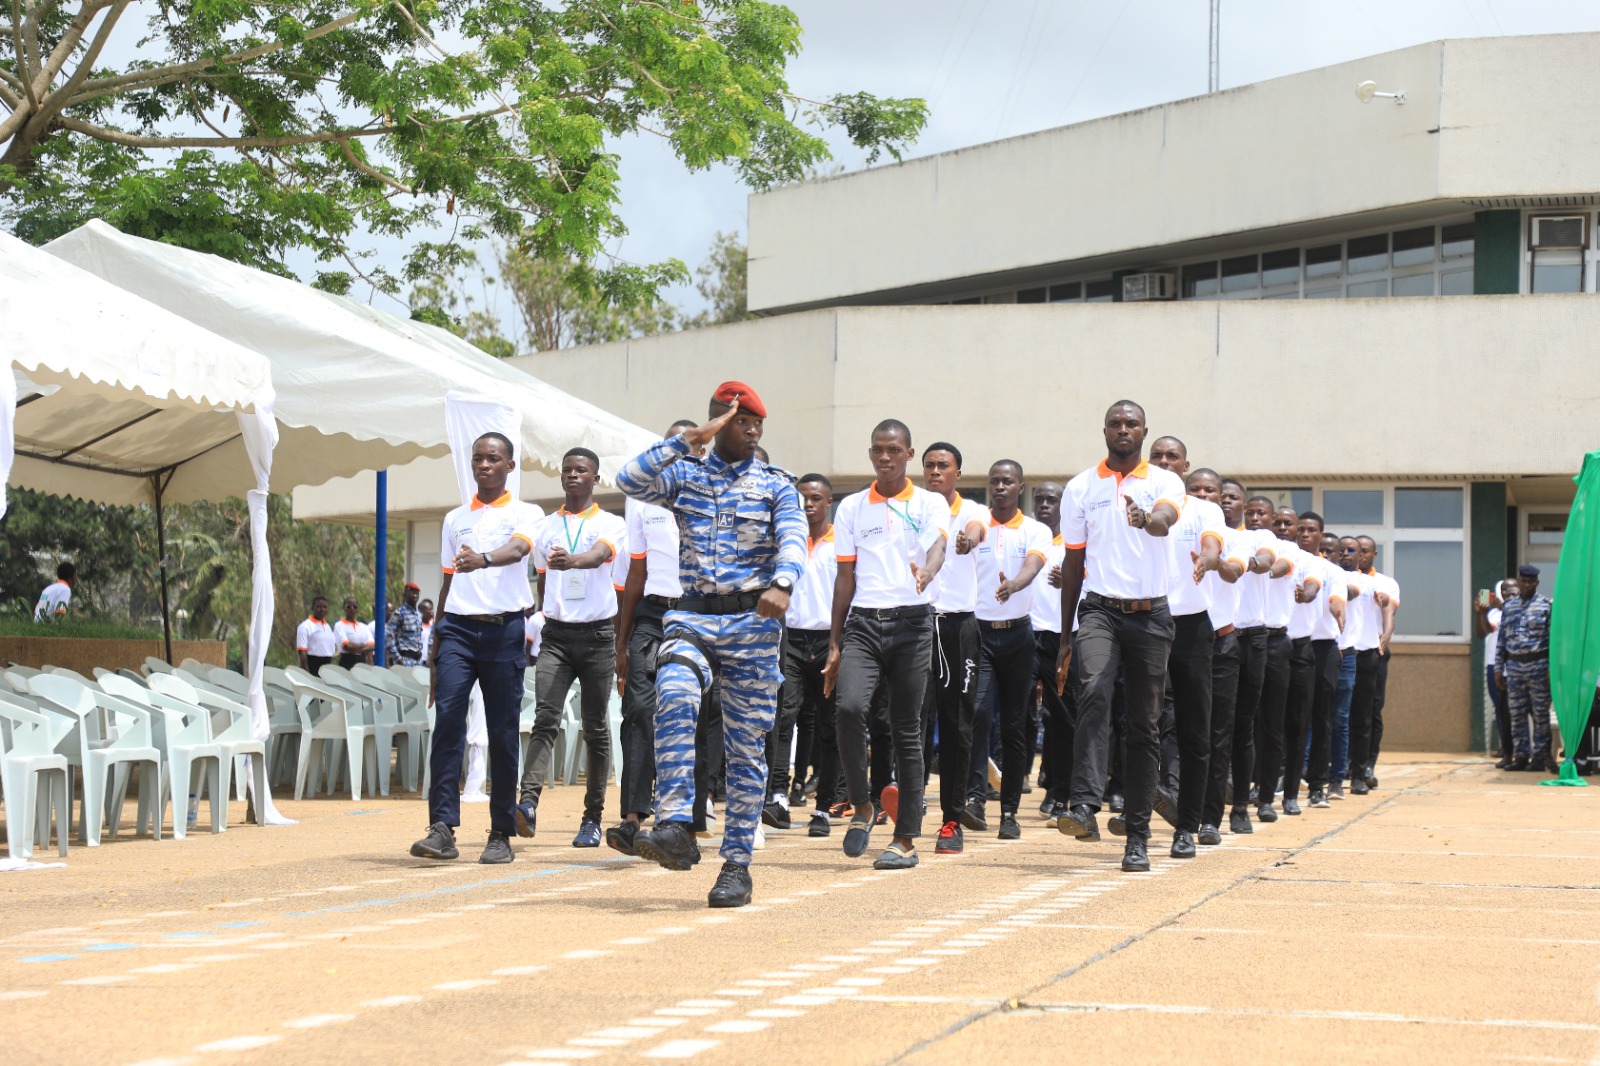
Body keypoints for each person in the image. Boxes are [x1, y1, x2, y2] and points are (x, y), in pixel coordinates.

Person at [617, 382, 805, 908]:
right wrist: (687, 441)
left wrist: (784, 582)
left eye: (756, 426)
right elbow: (627, 479)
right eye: (742, 423)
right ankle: (676, 824)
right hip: (693, 617)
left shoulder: (775, 485)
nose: (752, 433)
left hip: (752, 623)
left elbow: (793, 539)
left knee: (746, 750)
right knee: (673, 694)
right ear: (721, 422)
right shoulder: (684, 475)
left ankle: (736, 865)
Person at [1054, 400, 1185, 873]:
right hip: (1099, 611)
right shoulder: (1080, 487)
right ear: (1104, 430)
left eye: (1131, 423)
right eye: (1115, 423)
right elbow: (1072, 564)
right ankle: (1083, 806)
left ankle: (1137, 835)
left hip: (1151, 616)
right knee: (1092, 691)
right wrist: (1066, 636)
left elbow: (1165, 520)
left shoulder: (1165, 481)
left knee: (1143, 725)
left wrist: (1145, 520)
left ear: (1145, 431)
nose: (1123, 429)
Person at [411, 431, 543, 866]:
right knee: (448, 722)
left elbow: (520, 548)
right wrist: (436, 642)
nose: (484, 465)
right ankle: (442, 827)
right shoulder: (454, 519)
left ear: (510, 466)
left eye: (493, 459)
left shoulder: (528, 512)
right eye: (477, 459)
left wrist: (484, 559)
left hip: (504, 630)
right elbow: (449, 580)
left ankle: (501, 831)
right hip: (458, 632)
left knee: (502, 731)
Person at [823, 419, 947, 870]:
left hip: (913, 624)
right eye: (878, 450)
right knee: (850, 707)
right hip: (863, 624)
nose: (886, 457)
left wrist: (928, 572)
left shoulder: (930, 502)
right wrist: (835, 642)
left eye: (894, 450)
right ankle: (862, 806)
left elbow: (937, 548)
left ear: (909, 454)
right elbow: (844, 578)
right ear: (871, 453)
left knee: (905, 728)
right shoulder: (853, 507)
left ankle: (906, 839)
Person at [516, 447, 628, 847]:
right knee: (546, 718)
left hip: (598, 636)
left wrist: (574, 562)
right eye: (567, 470)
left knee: (596, 729)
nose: (573, 475)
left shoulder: (612, 524)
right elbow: (544, 579)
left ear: (595, 479)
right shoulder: (546, 527)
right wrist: (548, 613)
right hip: (558, 637)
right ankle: (527, 803)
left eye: (581, 470)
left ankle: (592, 818)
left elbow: (600, 556)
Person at [609, 419, 700, 856]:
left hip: (699, 614)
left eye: (690, 447)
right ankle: (631, 818)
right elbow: (636, 571)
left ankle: (686, 820)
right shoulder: (643, 500)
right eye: (673, 447)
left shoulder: (710, 492)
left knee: (691, 715)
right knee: (639, 711)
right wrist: (622, 643)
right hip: (652, 614)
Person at [1146, 437, 1225, 858]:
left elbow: (1212, 544)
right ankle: (1137, 819)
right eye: (1156, 456)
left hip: (1193, 629)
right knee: (1143, 725)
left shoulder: (1204, 509)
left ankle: (1187, 826)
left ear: (1184, 464)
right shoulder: (1136, 502)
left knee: (1196, 731)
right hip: (1146, 623)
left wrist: (1208, 558)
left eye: (1170, 456)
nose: (1163, 462)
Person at [968, 459, 1049, 841]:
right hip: (980, 637)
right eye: (994, 481)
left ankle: (1010, 812)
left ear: (1020, 487)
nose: (1000, 487)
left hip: (1018, 637)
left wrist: (1015, 584)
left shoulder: (1036, 530)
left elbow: (1033, 566)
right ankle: (974, 799)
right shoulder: (975, 526)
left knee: (1016, 726)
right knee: (979, 715)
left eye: (1007, 482)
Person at [919, 442, 989, 854]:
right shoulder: (916, 510)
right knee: (912, 717)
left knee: (959, 722)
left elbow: (976, 534)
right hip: (917, 623)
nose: (935, 471)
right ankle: (906, 805)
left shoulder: (974, 512)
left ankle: (951, 819)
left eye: (943, 465)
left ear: (957, 473)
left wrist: (967, 541)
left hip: (958, 628)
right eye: (929, 465)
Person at [1188, 469, 1255, 846]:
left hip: (1221, 644)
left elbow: (1232, 572)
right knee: (1171, 726)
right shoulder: (1173, 529)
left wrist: (1214, 561)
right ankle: (1176, 802)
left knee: (1217, 734)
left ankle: (1210, 817)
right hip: (1177, 640)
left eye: (1210, 490)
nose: (1202, 494)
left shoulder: (1234, 538)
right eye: (1194, 489)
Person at [1219, 482, 1286, 835]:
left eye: (1233, 496)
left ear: (1244, 504)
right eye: (1221, 495)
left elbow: (1264, 564)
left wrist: (1236, 563)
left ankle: (1242, 806)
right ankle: (1208, 805)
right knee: (1214, 726)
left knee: (1245, 725)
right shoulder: (1204, 532)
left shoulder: (1262, 538)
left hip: (1252, 638)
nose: (1226, 499)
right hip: (1214, 637)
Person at [775, 474, 840, 838]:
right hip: (791, 640)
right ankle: (778, 797)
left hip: (830, 642)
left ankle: (823, 809)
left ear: (828, 502)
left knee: (830, 726)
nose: (809, 504)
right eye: (803, 498)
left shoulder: (841, 542)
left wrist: (840, 643)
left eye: (816, 498)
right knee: (784, 718)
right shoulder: (788, 541)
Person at [1293, 512, 1346, 809]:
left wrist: (1340, 612)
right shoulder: (1284, 561)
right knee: (1290, 718)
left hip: (1323, 649)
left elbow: (1336, 598)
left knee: (1321, 719)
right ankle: (1280, 780)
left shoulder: (1330, 570)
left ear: (1320, 536)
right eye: (1301, 529)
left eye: (1311, 530)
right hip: (1291, 646)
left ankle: (1317, 785)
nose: (1304, 534)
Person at [1028, 481, 1071, 826]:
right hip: (1025, 634)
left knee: (1061, 716)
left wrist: (1070, 582)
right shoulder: (1029, 537)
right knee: (1019, 715)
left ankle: (1059, 788)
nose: (1044, 505)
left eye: (1051, 500)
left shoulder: (1074, 542)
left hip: (1061, 637)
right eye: (1039, 499)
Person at [1498, 564, 1555, 772]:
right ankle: (1521, 756)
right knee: (1516, 714)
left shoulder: (1546, 605)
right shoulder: (1509, 607)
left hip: (1538, 666)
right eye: (1524, 581)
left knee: (1540, 715)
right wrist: (1498, 668)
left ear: (1537, 583)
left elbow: (1552, 640)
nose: (1528, 584)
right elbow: (1502, 640)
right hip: (1514, 666)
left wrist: (1551, 668)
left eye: (1532, 582)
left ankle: (1540, 757)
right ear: (1519, 581)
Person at [1357, 535, 1400, 783]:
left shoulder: (1386, 583)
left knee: (1372, 710)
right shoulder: (1343, 577)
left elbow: (1389, 611)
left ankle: (1367, 765)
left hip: (1375, 653)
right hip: (1347, 652)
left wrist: (1385, 638)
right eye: (1355, 550)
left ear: (1375, 554)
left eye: (1365, 551)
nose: (1360, 555)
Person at [1476, 578, 1517, 768]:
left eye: (1510, 590)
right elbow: (1483, 632)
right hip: (1495, 665)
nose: (1507, 593)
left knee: (1517, 709)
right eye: (1503, 590)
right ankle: (1505, 747)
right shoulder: (1493, 613)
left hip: (1516, 665)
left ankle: (1520, 747)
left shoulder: (1519, 611)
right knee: (1500, 707)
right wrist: (1481, 614)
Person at [296, 595, 338, 675]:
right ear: (312, 608)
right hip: (313, 664)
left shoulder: (327, 626)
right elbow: (302, 652)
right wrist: (306, 673)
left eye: (325, 607)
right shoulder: (305, 626)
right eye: (319, 607)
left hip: (327, 665)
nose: (322, 610)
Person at [388, 582, 427, 666]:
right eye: (411, 592)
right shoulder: (399, 613)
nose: (414, 595)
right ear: (404, 594)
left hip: (418, 660)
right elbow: (387, 635)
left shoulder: (419, 614)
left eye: (416, 592)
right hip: (404, 658)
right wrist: (397, 658)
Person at [334, 597, 376, 668]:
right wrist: (363, 645)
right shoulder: (339, 625)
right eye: (349, 607)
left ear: (358, 608)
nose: (352, 609)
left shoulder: (363, 627)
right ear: (344, 608)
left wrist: (357, 650)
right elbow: (347, 646)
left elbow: (372, 645)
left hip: (362, 662)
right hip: (347, 661)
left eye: (355, 607)